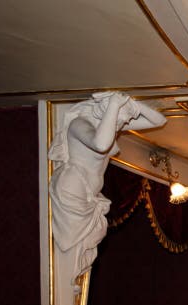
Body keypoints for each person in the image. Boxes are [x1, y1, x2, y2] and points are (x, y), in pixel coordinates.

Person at [49, 92, 166, 282]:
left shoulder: (113, 123)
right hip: (74, 186)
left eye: (124, 120)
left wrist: (131, 104)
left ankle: (72, 283)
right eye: (120, 119)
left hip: (91, 195)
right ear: (106, 111)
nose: (121, 124)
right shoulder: (79, 124)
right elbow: (100, 144)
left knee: (85, 246)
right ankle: (66, 282)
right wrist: (114, 104)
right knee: (71, 248)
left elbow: (159, 121)